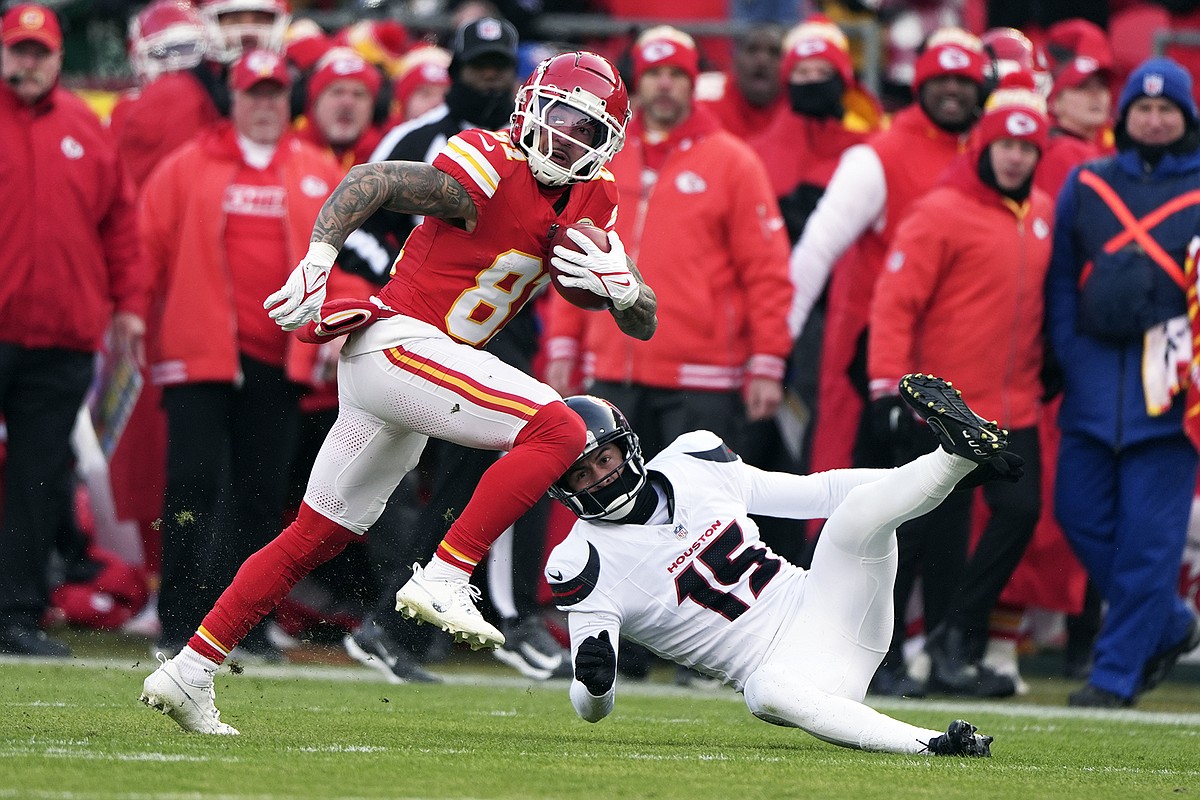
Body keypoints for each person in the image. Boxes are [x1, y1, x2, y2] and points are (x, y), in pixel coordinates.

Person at [140, 49, 656, 734]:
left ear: (606, 142)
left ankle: (189, 670)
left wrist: (626, 292)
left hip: (414, 369)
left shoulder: (594, 199)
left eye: (585, 128)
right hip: (399, 345)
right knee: (559, 428)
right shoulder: (489, 163)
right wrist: (319, 257)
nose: (566, 135)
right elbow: (372, 179)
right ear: (530, 107)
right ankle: (446, 574)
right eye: (558, 115)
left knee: (315, 534)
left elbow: (637, 317)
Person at [546, 374, 1014, 756]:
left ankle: (952, 461)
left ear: (626, 446)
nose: (599, 478)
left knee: (852, 512)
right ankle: (932, 745)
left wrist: (933, 482)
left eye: (603, 458)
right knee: (764, 689)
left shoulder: (695, 460)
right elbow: (591, 707)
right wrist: (595, 685)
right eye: (581, 474)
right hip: (802, 674)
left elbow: (822, 493)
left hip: (832, 603)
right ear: (564, 489)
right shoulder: (580, 562)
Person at [138, 48, 362, 659]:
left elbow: (340, 264)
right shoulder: (186, 166)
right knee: (190, 488)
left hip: (279, 359)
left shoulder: (316, 169)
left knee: (261, 499)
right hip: (199, 355)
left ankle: (245, 627)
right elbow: (146, 252)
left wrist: (343, 317)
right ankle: (177, 623)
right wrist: (133, 317)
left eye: (274, 93)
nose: (264, 105)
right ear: (233, 99)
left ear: (289, 100)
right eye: (253, 93)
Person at [784, 27, 987, 696]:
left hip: (952, 366)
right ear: (919, 85)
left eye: (964, 81)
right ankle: (832, 649)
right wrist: (777, 349)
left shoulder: (989, 155)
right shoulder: (878, 156)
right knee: (857, 502)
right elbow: (815, 251)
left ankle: (921, 652)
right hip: (871, 366)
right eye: (941, 79)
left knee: (938, 516)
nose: (952, 92)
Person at [868, 76, 1053, 697]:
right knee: (923, 533)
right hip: (947, 408)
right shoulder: (941, 212)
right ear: (985, 147)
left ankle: (955, 639)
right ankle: (885, 658)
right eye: (1006, 145)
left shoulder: (1042, 214)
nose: (1015, 157)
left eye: (1027, 148)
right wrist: (888, 389)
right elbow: (895, 302)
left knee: (1019, 512)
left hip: (1015, 402)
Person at [1047, 56, 1200, 708]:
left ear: (1186, 117)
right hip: (1092, 380)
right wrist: (1068, 351)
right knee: (1077, 514)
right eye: (1144, 107)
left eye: (1167, 109)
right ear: (1125, 115)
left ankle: (1113, 677)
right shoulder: (1087, 182)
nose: (1155, 119)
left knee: (1149, 544)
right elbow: (1060, 276)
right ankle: (1167, 623)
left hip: (1170, 393)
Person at [0, 3, 147, 656]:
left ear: (59, 58)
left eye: (39, 52)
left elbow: (121, 226)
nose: (28, 63)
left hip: (62, 337)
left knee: (40, 481)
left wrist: (130, 304)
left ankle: (17, 616)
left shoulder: (88, 128)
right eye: (18, 51)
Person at [294, 47, 385, 171]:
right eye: (337, 92)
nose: (347, 103)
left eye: (358, 94)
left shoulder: (387, 155)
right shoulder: (289, 152)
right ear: (315, 102)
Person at [694, 21, 786, 142]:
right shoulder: (706, 113)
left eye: (774, 52)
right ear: (734, 60)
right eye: (752, 50)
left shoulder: (801, 116)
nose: (762, 60)